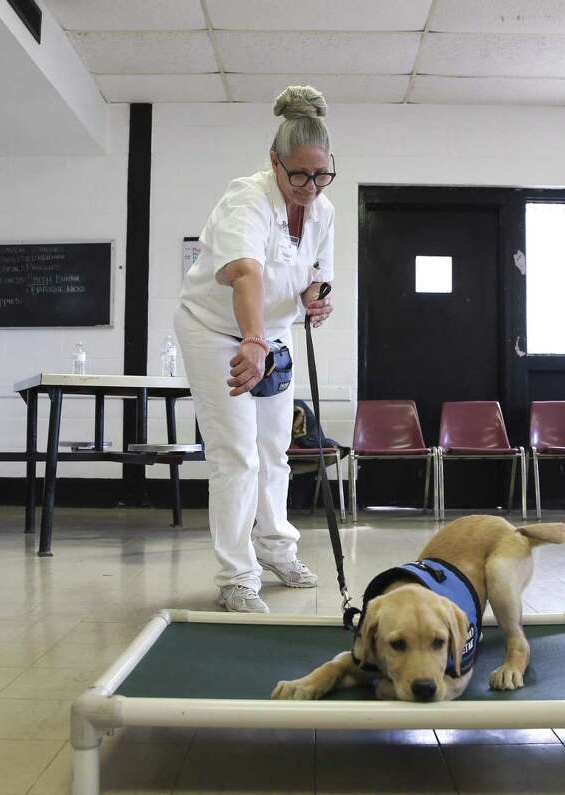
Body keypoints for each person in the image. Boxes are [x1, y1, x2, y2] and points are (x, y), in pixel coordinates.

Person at [174, 85, 336, 613]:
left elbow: (316, 277)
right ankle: (238, 574)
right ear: (274, 161)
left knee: (274, 450)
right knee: (236, 455)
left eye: (321, 174)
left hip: (273, 334)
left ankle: (275, 548)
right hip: (218, 331)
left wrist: (316, 298)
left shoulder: (323, 210)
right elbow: (246, 272)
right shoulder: (246, 199)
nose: (310, 187)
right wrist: (252, 340)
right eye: (299, 175)